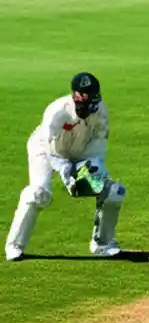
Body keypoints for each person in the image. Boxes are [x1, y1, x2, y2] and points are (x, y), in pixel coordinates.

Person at [6, 73, 125, 261]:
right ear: (76, 98)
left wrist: (89, 171)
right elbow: (48, 146)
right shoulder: (57, 111)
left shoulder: (101, 111)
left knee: (113, 191)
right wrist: (64, 170)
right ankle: (14, 246)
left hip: (80, 153)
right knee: (37, 194)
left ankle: (103, 244)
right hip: (44, 151)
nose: (89, 110)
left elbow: (98, 146)